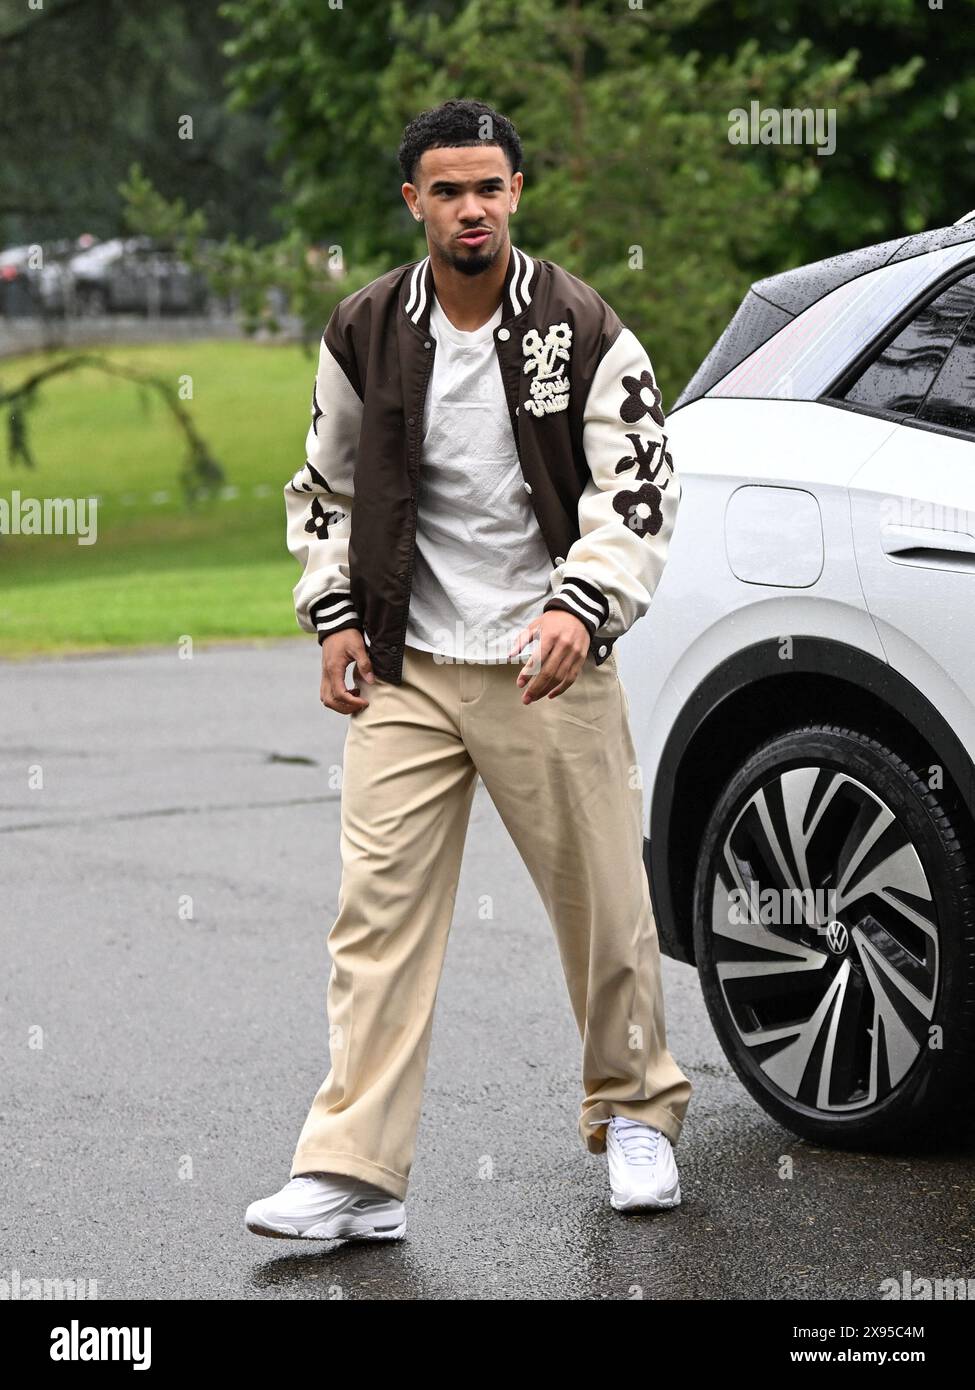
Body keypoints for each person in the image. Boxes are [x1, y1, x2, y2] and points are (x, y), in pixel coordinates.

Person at [245, 98, 692, 1245]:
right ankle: (355, 1171)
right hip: (408, 671)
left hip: (548, 664)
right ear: (414, 203)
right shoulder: (364, 330)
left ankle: (636, 1112)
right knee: (375, 920)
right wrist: (334, 614)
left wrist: (582, 608)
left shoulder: (583, 326)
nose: (472, 207)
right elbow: (323, 487)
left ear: (517, 194)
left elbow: (638, 488)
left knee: (605, 906)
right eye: (448, 189)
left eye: (489, 186)